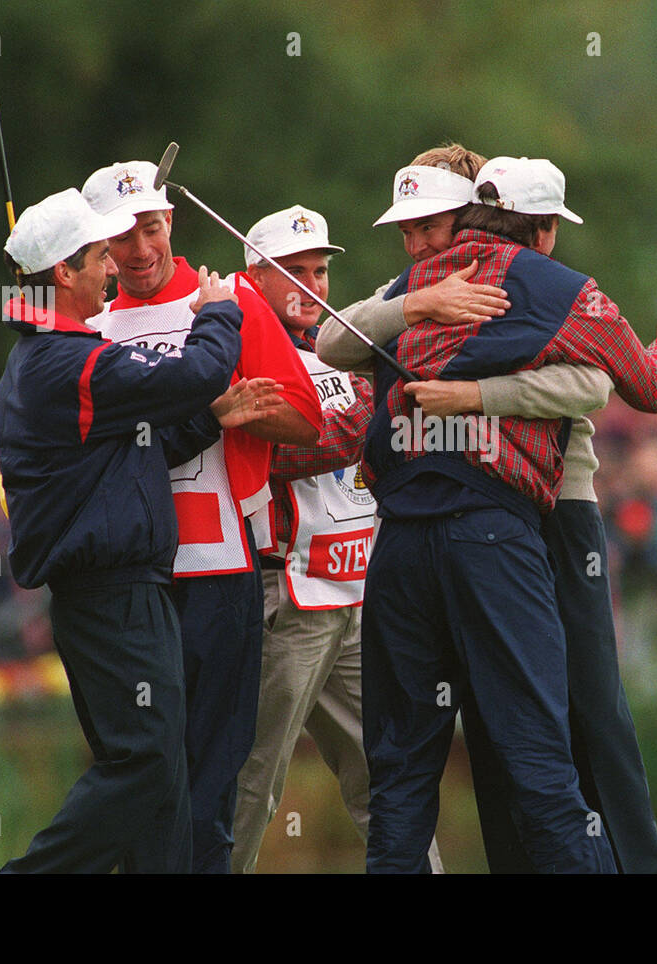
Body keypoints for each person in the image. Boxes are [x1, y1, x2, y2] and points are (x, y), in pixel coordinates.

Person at [319, 146, 657, 873]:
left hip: (396, 545)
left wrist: (465, 388)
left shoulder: (411, 282)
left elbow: (335, 339)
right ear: (545, 226)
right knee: (544, 755)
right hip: (498, 531)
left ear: (469, 213)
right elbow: (636, 386)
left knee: (398, 781)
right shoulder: (560, 289)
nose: (418, 241)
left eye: (427, 224)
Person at [0, 188, 267, 872]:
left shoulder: (55, 359)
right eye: (97, 257)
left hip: (117, 596)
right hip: (113, 599)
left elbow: (136, 451)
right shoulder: (67, 363)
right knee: (147, 765)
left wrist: (212, 419)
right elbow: (194, 374)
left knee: (163, 780)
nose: (112, 268)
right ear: (63, 272)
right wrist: (221, 312)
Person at [82, 162, 322, 874]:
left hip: (224, 575)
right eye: (120, 238)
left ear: (170, 223)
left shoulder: (235, 301)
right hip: (128, 584)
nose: (139, 250)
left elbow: (306, 419)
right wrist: (201, 411)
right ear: (99, 246)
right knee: (142, 779)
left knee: (216, 781)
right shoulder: (88, 328)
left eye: (149, 228)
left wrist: (248, 410)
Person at [224, 206, 437, 872]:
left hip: (355, 596)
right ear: (254, 276)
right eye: (295, 273)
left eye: (320, 270)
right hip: (282, 603)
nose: (313, 285)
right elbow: (275, 451)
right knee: (250, 788)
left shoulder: (340, 345)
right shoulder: (234, 347)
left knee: (391, 778)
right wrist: (370, 416)